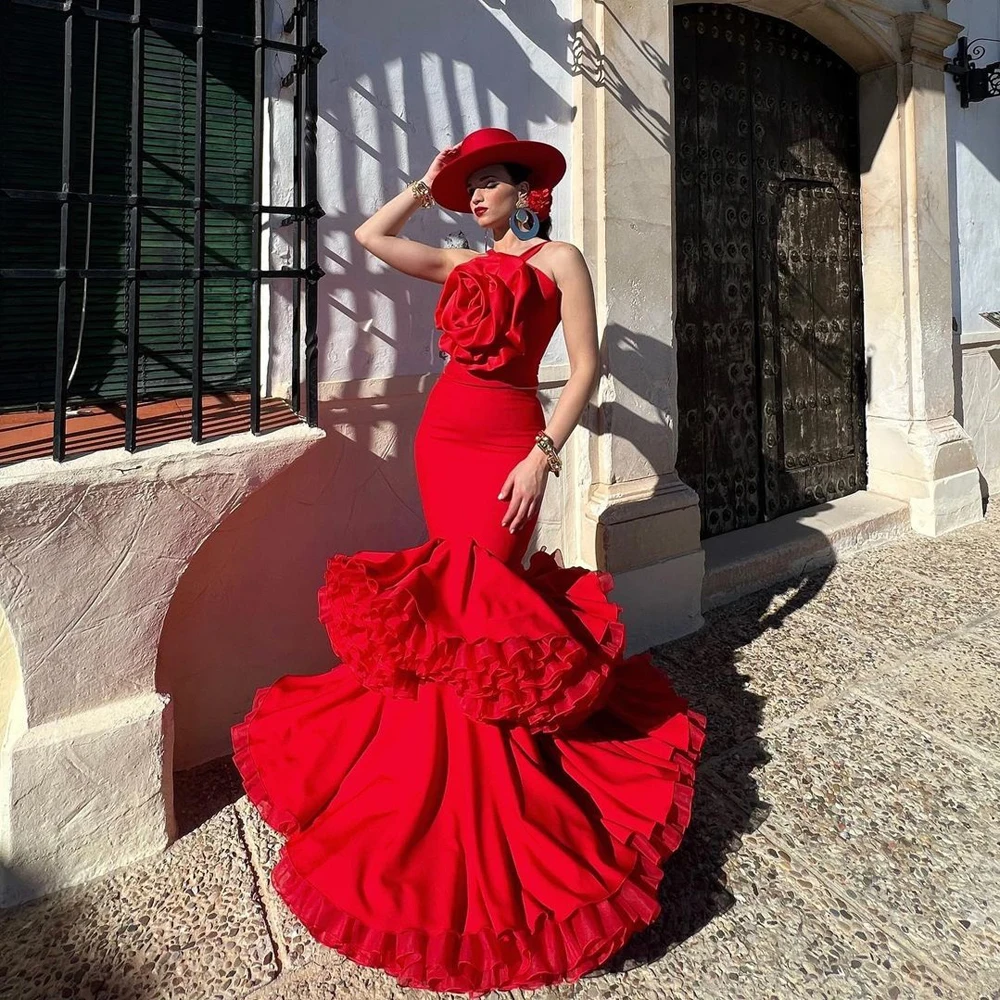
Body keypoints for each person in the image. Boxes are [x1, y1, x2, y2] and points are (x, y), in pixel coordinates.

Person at [232, 127, 706, 996]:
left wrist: (543, 455)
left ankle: (505, 778)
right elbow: (371, 238)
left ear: (525, 191)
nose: (477, 198)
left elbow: (587, 368)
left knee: (492, 594)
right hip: (445, 436)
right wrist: (425, 180)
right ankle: (426, 769)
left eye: (489, 184)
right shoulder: (458, 263)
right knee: (449, 601)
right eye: (471, 189)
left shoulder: (560, 259)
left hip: (508, 442)